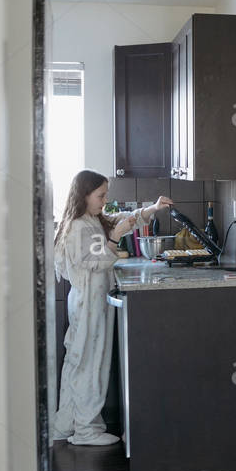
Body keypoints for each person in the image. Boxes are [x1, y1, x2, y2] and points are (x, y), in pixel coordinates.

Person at [53, 170, 172, 446]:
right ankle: (85, 429)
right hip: (88, 306)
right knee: (90, 364)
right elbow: (91, 262)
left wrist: (151, 209)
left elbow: (119, 220)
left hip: (91, 303)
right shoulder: (77, 227)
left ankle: (65, 424)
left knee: (78, 363)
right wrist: (115, 238)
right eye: (101, 195)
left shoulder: (90, 219)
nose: (105, 200)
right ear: (84, 195)